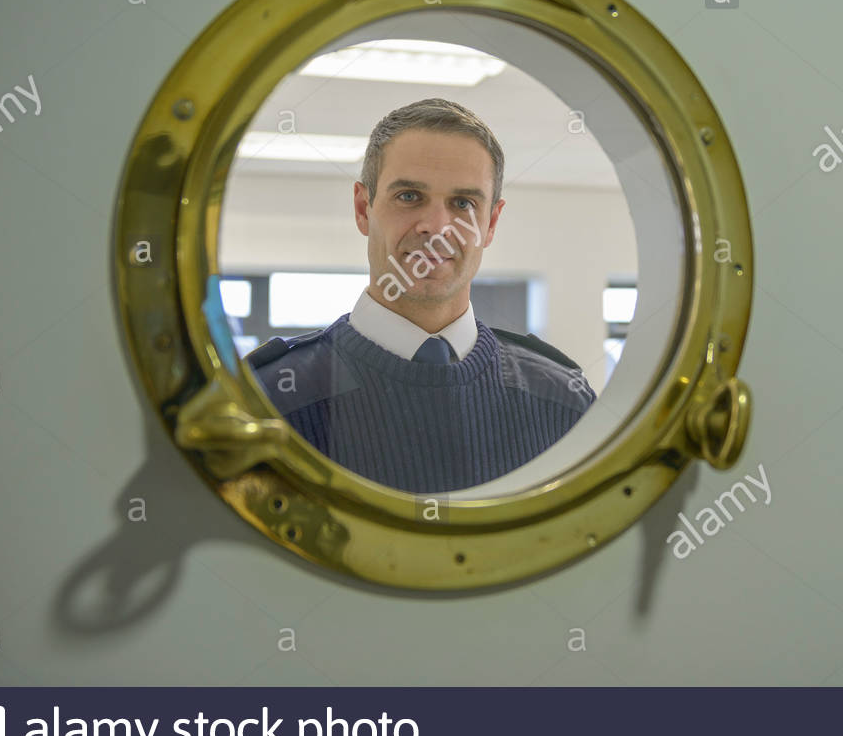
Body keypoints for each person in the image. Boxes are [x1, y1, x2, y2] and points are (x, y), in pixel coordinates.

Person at [247, 97, 596, 493]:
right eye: (409, 196)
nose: (437, 227)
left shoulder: (563, 400)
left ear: (490, 223)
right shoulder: (268, 401)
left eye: (462, 203)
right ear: (363, 209)